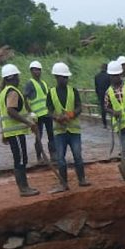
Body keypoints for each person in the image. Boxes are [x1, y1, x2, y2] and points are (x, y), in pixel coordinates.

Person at [0, 63, 42, 197]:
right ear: (13, 77)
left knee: (20, 158)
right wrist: (29, 123)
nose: (18, 79)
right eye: (17, 77)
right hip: (15, 132)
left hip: (11, 131)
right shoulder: (12, 92)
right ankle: (24, 188)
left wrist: (4, 133)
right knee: (21, 160)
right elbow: (11, 111)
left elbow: (3, 113)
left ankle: (24, 187)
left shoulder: (3, 92)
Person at [47, 61, 90, 191]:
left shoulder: (73, 91)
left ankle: (82, 179)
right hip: (60, 132)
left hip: (73, 130)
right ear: (56, 77)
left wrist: (70, 115)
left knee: (78, 156)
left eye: (66, 77)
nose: (65, 79)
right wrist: (56, 117)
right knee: (60, 158)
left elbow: (79, 107)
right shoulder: (51, 93)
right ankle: (63, 183)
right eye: (63, 77)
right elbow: (48, 110)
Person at [24, 60, 54, 164]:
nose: (37, 72)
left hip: (47, 114)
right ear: (31, 71)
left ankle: (53, 155)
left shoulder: (44, 83)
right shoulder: (30, 84)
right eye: (35, 70)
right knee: (38, 136)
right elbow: (25, 98)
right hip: (37, 116)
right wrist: (30, 112)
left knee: (51, 135)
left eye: (39, 70)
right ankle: (39, 157)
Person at [94, 63, 111, 128]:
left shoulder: (97, 76)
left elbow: (96, 87)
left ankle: (104, 124)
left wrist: (98, 95)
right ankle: (113, 122)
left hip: (100, 94)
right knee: (110, 108)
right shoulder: (109, 76)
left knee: (103, 109)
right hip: (108, 94)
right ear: (107, 68)